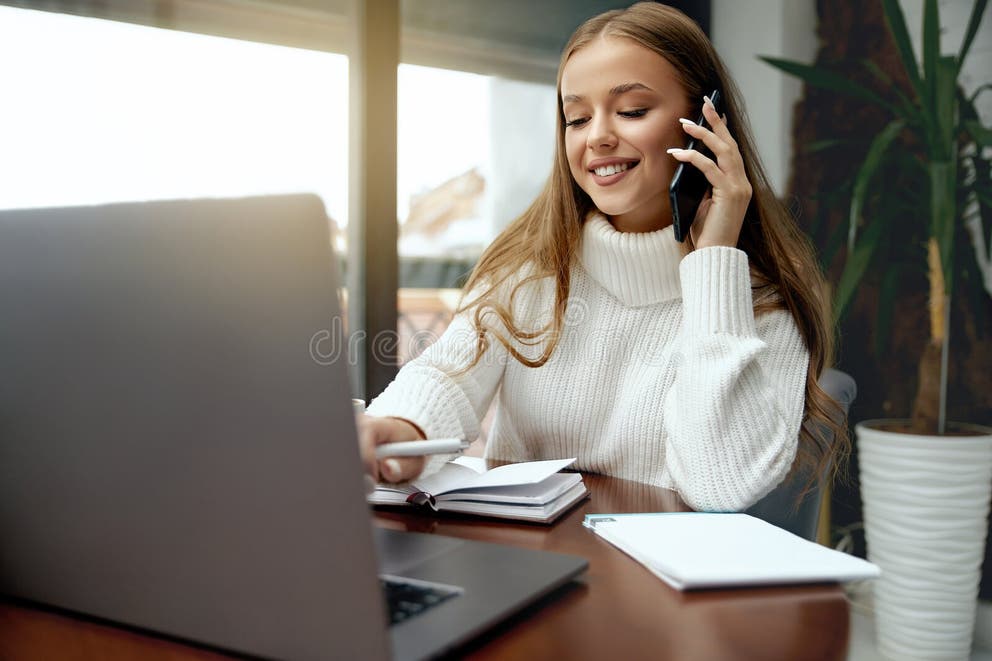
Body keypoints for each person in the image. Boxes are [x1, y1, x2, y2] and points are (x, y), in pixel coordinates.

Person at [358, 2, 843, 512]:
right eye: (577, 118)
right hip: (528, 553)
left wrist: (715, 261)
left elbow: (721, 486)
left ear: (704, 124)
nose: (598, 137)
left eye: (632, 111)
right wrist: (399, 429)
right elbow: (446, 378)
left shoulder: (760, 305)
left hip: (662, 563)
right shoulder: (527, 271)